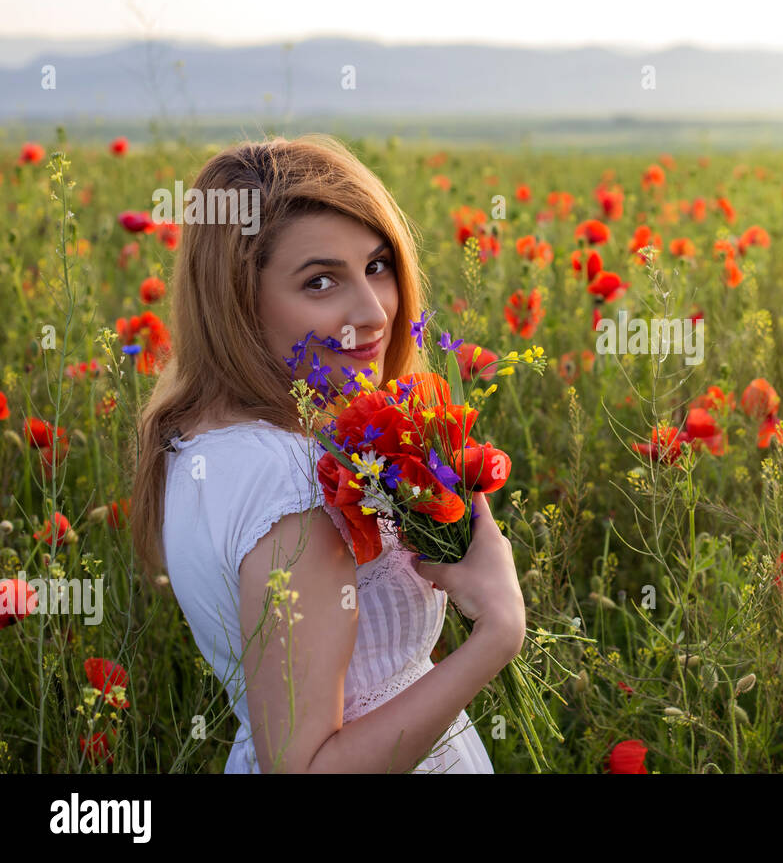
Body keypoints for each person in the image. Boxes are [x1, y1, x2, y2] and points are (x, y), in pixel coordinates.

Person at [129, 135, 525, 773]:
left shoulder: (203, 438)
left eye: (376, 266)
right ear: (237, 302)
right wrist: (497, 635)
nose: (373, 312)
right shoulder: (292, 484)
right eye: (320, 282)